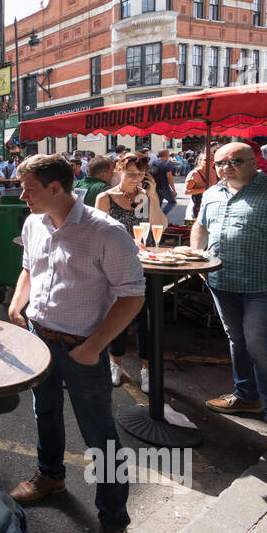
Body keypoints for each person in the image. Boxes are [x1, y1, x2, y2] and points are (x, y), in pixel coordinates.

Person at [7, 155, 145, 533]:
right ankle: (51, 476)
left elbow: (132, 295)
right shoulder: (33, 223)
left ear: (56, 188)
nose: (21, 195)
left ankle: (113, 526)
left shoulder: (106, 232)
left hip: (83, 347)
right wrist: (18, 301)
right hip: (40, 337)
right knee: (43, 411)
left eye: (28, 188)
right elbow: (31, 266)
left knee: (100, 435)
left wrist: (95, 347)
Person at [193, 142, 267, 447]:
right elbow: (201, 226)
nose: (226, 168)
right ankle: (246, 396)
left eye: (235, 161)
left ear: (255, 162)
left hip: (263, 284)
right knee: (237, 339)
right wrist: (198, 255)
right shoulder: (213, 192)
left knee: (260, 347)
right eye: (219, 164)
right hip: (221, 281)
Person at [94, 153, 166, 393]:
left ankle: (146, 368)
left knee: (147, 317)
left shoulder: (145, 197)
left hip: (144, 264)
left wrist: (153, 196)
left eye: (140, 175)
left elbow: (160, 226)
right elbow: (98, 233)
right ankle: (116, 361)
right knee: (118, 316)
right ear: (119, 170)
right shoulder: (105, 197)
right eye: (131, 173)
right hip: (115, 265)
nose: (135, 179)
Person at [150, 149, 178, 219]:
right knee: (172, 202)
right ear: (167, 155)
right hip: (164, 186)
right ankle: (161, 216)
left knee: (158, 204)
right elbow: (169, 177)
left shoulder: (154, 162)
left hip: (156, 186)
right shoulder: (167, 163)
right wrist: (173, 190)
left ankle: (156, 218)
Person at [183, 152, 211, 220]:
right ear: (199, 161)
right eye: (205, 160)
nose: (210, 162)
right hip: (197, 207)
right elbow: (186, 191)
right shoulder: (194, 174)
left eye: (212, 159)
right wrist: (205, 189)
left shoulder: (214, 171)